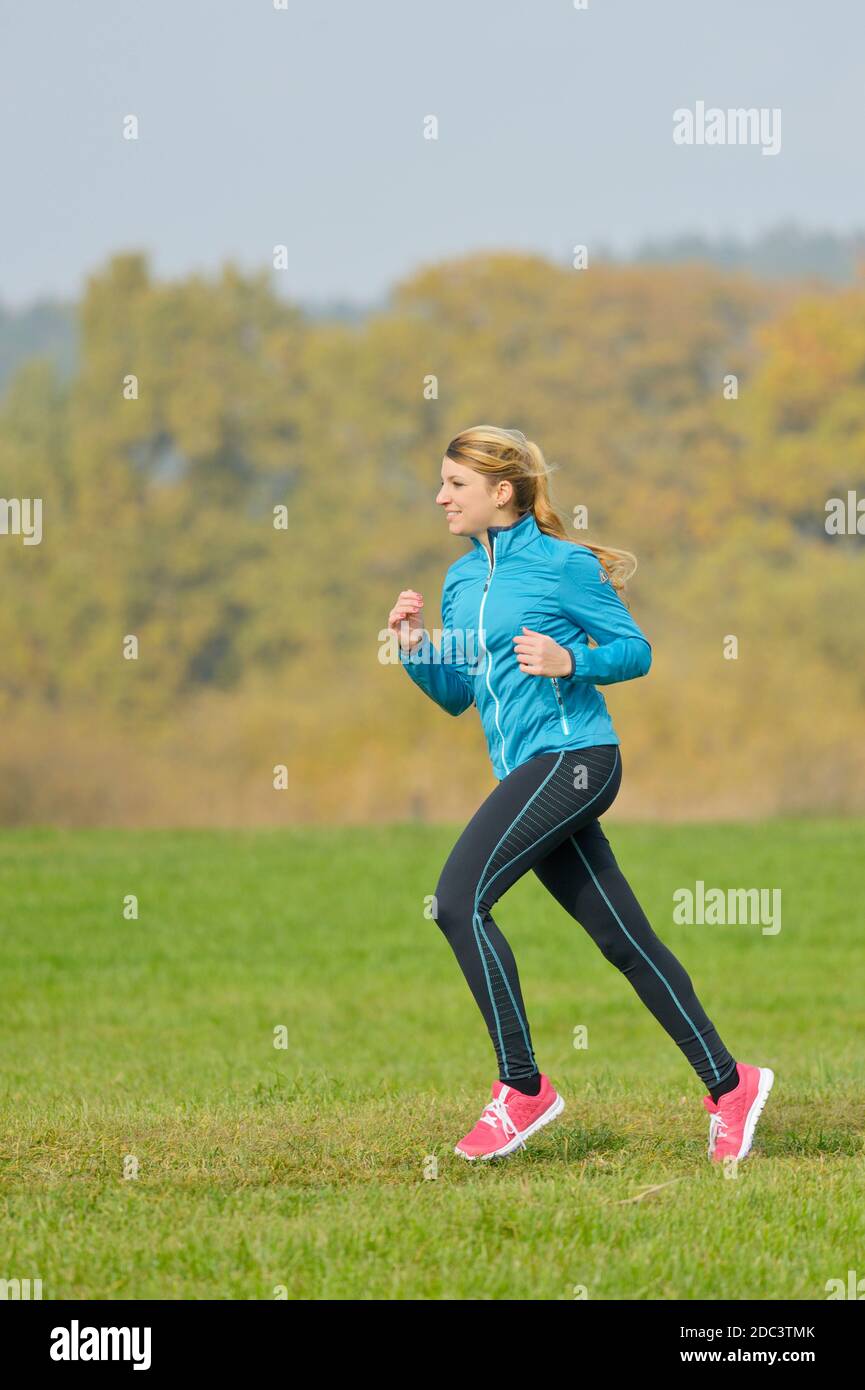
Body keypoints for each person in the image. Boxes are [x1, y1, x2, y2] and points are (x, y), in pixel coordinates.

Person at [388, 424, 774, 1163]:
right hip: (525, 773)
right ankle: (730, 1085)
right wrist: (413, 648)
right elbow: (457, 695)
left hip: (576, 761)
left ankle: (522, 1089)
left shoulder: (563, 568)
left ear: (501, 492)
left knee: (457, 899)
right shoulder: (460, 579)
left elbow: (635, 651)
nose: (440, 496)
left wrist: (570, 660)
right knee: (622, 941)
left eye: (455, 485)